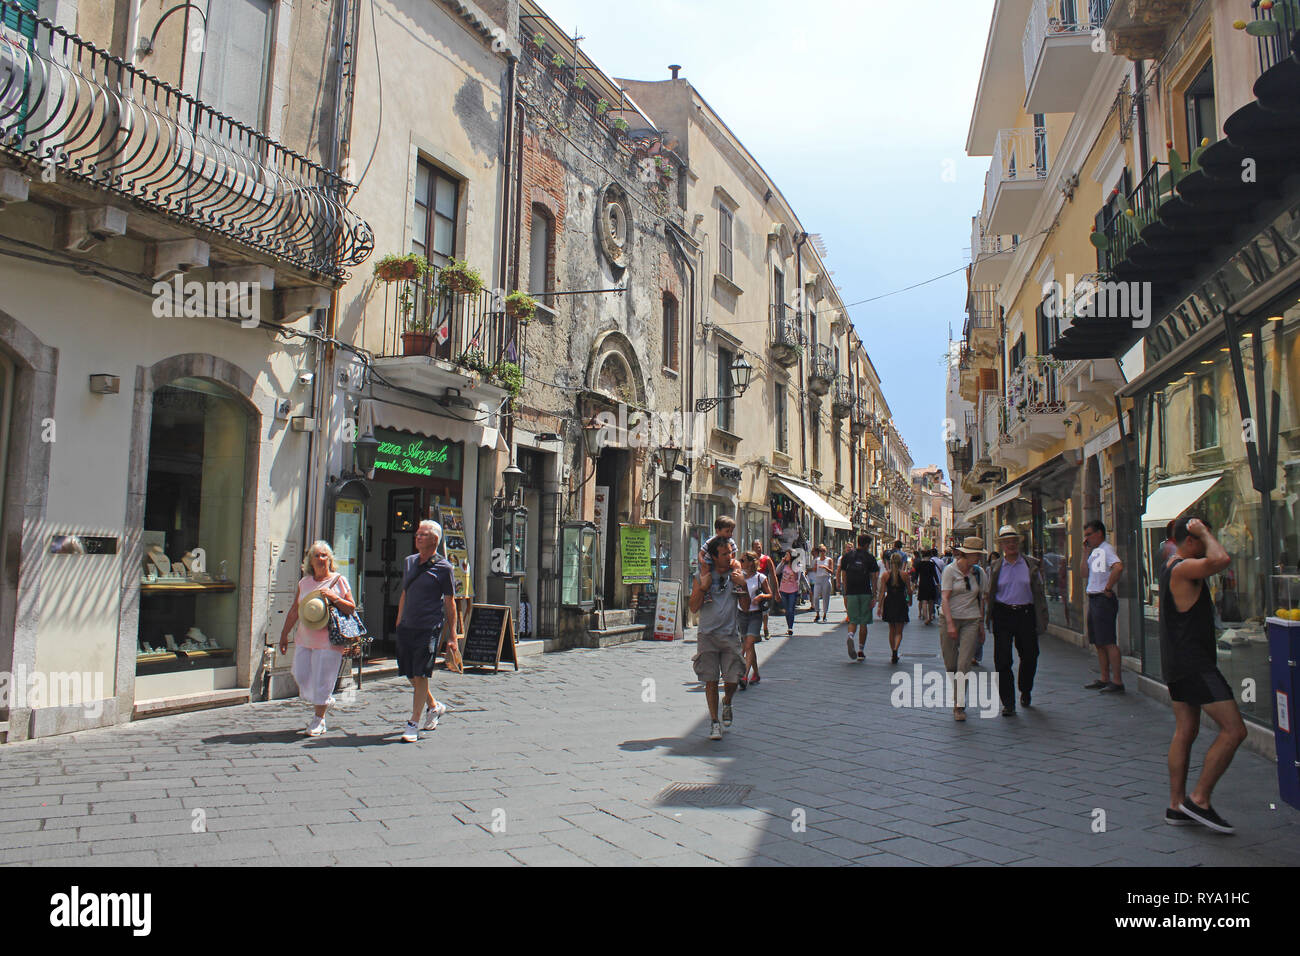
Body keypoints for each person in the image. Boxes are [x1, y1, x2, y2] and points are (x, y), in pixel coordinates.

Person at [1162, 516, 1246, 833]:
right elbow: (1222, 559)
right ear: (1192, 540)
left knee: (1185, 729)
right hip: (1195, 665)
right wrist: (1204, 531)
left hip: (1177, 664)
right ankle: (1199, 800)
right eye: (1201, 537)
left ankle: (1176, 805)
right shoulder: (1184, 567)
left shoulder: (1172, 562)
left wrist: (1194, 533)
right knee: (1235, 730)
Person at [279, 541, 356, 737]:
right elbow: (295, 610)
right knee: (301, 675)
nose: (321, 559)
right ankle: (324, 699)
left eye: (324, 556)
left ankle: (318, 719)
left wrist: (334, 597)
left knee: (323, 679)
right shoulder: (304, 583)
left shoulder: (339, 581)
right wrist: (284, 634)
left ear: (330, 560)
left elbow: (351, 607)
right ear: (310, 561)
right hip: (305, 637)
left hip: (329, 640)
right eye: (317, 556)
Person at [394, 520, 460, 743]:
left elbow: (450, 603)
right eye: (417, 534)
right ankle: (433, 706)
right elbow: (405, 592)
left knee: (421, 673)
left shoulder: (444, 568)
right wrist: (399, 619)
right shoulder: (409, 562)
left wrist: (452, 636)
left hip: (429, 626)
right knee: (410, 673)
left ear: (434, 539)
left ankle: (413, 722)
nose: (418, 537)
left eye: (423, 534)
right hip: (407, 625)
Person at [688, 536, 748, 740]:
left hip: (730, 635)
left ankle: (728, 702)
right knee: (710, 680)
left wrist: (744, 586)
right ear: (714, 556)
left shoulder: (736, 575)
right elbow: (694, 607)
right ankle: (714, 722)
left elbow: (746, 607)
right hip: (708, 635)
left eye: (731, 553)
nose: (729, 557)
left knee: (732, 680)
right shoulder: (702, 576)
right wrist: (704, 587)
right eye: (724, 554)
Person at [986, 525, 1048, 716]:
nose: (1011, 544)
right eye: (1007, 542)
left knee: (1030, 655)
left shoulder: (1031, 564)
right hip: (1003, 613)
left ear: (1019, 543)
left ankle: (1025, 688)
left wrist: (1042, 615)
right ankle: (1008, 703)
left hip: (1026, 614)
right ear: (1002, 545)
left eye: (1014, 541)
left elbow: (1039, 591)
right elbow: (989, 593)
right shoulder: (995, 568)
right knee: (1002, 660)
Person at [940, 537, 988, 721]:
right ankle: (957, 693)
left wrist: (981, 625)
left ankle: (959, 705)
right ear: (967, 554)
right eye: (977, 555)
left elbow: (982, 599)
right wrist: (950, 624)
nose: (979, 558)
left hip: (971, 621)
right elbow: (944, 599)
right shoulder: (950, 571)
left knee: (964, 664)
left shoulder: (978, 573)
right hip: (949, 619)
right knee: (951, 664)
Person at [1081, 519, 1125, 693]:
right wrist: (1085, 552)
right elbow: (1083, 573)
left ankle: (1117, 680)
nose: (1087, 538)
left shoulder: (1106, 549)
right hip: (1094, 597)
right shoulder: (1094, 552)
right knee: (1099, 642)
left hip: (1102, 598)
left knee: (1108, 641)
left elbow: (1118, 567)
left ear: (1099, 533)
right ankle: (1104, 677)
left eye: (1089, 534)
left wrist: (1108, 588)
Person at [839, 532, 880, 661]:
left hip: (851, 592)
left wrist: (845, 591)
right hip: (865, 592)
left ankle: (850, 635)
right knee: (864, 622)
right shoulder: (870, 558)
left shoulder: (847, 556)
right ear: (867, 544)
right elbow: (874, 578)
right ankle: (861, 650)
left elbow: (843, 575)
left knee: (853, 620)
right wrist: (874, 595)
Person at [737, 551, 773, 688]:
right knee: (749, 645)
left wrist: (762, 597)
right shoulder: (740, 577)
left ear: (751, 562)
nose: (740, 562)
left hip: (755, 615)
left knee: (748, 642)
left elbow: (770, 594)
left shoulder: (760, 577)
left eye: (743, 560)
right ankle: (756, 673)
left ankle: (744, 676)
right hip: (742, 614)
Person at [877, 552, 912, 665]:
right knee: (899, 630)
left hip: (889, 602)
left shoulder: (885, 575)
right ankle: (896, 649)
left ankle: (893, 651)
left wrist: (879, 606)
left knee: (891, 630)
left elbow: (882, 592)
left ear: (890, 563)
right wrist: (910, 599)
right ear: (901, 562)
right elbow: (909, 590)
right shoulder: (905, 575)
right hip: (901, 602)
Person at [752, 540, 777, 639]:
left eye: (759, 546)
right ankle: (756, 631)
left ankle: (765, 628)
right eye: (756, 547)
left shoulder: (766, 559)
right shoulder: (750, 559)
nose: (758, 548)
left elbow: (773, 575)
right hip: (753, 587)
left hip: (764, 587)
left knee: (765, 609)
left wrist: (776, 591)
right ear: (752, 548)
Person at [776, 549, 801, 636]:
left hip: (793, 590)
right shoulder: (784, 565)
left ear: (791, 556)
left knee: (791, 610)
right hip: (783, 590)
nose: (785, 556)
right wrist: (782, 562)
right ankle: (788, 626)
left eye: (787, 555)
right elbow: (776, 571)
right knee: (787, 610)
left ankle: (790, 627)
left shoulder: (797, 565)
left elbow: (798, 576)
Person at [809, 544, 835, 623]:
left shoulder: (829, 560)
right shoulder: (817, 560)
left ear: (826, 552)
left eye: (823, 551)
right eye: (820, 551)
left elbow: (832, 571)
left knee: (825, 597)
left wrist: (825, 568)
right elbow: (814, 570)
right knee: (816, 597)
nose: (822, 552)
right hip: (818, 579)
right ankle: (817, 613)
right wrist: (811, 569)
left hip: (826, 579)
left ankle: (825, 614)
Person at [915, 549, 940, 625]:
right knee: (931, 601)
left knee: (924, 601)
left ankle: (926, 618)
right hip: (931, 583)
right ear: (929, 556)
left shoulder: (919, 564)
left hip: (922, 583)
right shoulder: (931, 564)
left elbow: (916, 575)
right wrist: (938, 583)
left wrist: (915, 583)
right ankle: (930, 616)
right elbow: (935, 575)